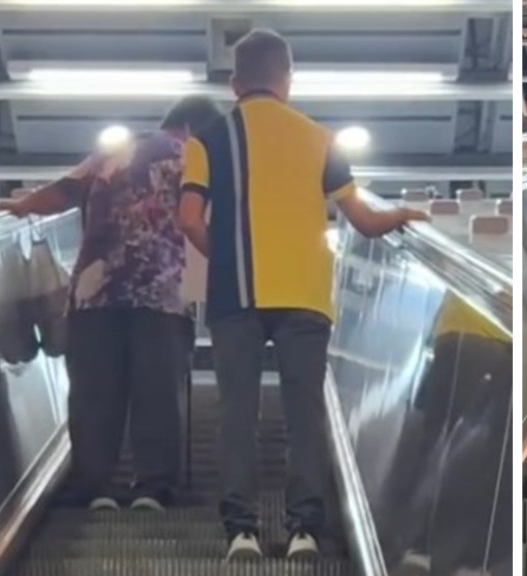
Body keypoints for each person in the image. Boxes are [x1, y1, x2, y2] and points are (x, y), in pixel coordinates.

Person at [177, 28, 429, 562]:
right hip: (306, 295)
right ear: (287, 80)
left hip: (235, 297)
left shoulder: (209, 139)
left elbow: (188, 219)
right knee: (305, 410)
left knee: (237, 411)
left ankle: (240, 531)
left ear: (234, 82)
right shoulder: (320, 138)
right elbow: (363, 220)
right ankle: (304, 531)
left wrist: (225, 259)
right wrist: (403, 214)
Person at [0, 96, 224, 512]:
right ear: (196, 130)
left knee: (94, 393)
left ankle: (94, 486)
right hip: (163, 297)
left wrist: (19, 207)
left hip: (93, 294)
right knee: (158, 392)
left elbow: (65, 191)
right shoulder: (198, 158)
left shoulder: (119, 148)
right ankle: (153, 488)